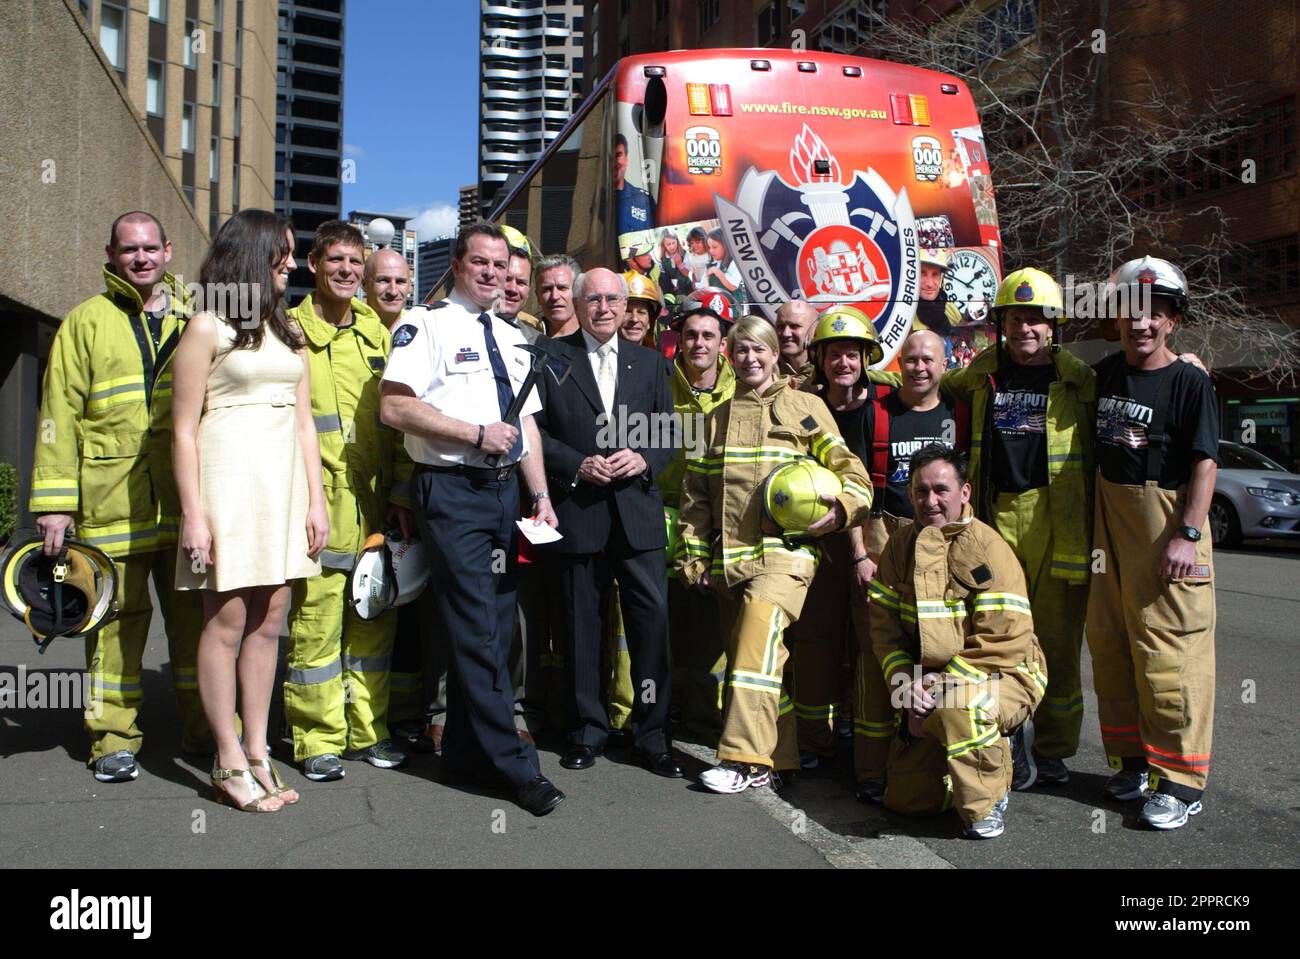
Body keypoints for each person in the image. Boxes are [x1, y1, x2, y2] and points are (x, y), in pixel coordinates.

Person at [878, 268, 1095, 790]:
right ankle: (1004, 736)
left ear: (1052, 326)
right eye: (1016, 318)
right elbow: (921, 379)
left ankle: (1055, 749)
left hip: (1055, 520)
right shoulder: (981, 373)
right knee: (989, 633)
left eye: (1037, 319)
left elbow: (1126, 388)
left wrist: (1188, 364)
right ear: (1002, 323)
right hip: (994, 517)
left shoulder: (1078, 379)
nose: (1026, 328)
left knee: (1057, 640)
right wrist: (862, 379)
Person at [379, 221, 564, 816]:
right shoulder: (425, 325)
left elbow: (527, 425)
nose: (491, 273)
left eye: (500, 265)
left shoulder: (512, 338)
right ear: (457, 266)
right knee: (478, 626)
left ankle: (461, 750)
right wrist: (475, 433)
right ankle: (514, 764)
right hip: (451, 489)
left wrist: (540, 495)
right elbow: (394, 405)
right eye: (479, 262)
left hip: (505, 494)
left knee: (498, 625)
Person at [30, 211, 211, 782]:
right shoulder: (85, 322)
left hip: (186, 508)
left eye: (150, 248)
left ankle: (205, 730)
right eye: (128, 249)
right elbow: (58, 414)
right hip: (112, 506)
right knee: (113, 629)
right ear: (110, 254)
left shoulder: (198, 318)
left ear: (169, 251)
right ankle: (112, 737)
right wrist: (55, 503)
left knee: (196, 626)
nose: (141, 258)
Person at [172, 209, 328, 812]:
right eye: (282, 252)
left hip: (283, 489)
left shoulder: (288, 331)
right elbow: (183, 430)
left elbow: (305, 425)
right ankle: (227, 756)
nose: (290, 262)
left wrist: (315, 501)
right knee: (228, 621)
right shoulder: (206, 326)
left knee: (271, 620)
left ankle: (259, 750)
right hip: (227, 487)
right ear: (251, 253)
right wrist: (194, 514)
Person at [677, 316, 873, 793]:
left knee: (754, 652)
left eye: (759, 350)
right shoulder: (715, 418)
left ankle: (743, 759)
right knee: (761, 665)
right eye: (741, 350)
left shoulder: (805, 407)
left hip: (786, 557)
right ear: (730, 355)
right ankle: (780, 759)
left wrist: (843, 511)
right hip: (730, 563)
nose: (750, 358)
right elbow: (695, 497)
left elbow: (854, 474)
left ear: (774, 354)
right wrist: (695, 561)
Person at [533, 267, 682, 778]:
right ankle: (587, 730)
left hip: (637, 515)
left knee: (652, 625)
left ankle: (651, 733)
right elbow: (536, 434)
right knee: (581, 626)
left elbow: (670, 431)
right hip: (580, 512)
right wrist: (575, 462)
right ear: (576, 304)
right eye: (592, 298)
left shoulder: (650, 363)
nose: (603, 307)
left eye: (612, 299)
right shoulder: (550, 358)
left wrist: (644, 458)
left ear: (625, 306)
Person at [1087, 257, 1219, 830]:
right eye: (1130, 314)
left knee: (1171, 654)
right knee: (1113, 647)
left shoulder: (1190, 381)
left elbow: (1206, 461)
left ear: (1172, 320)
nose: (1141, 324)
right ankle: (1133, 763)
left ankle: (1181, 782)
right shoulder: (1104, 374)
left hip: (1166, 525)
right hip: (1110, 521)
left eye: (1154, 315)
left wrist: (1187, 535)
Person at [283, 221, 415, 782]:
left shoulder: (378, 334)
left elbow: (403, 417)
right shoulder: (290, 331)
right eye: (335, 260)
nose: (346, 271)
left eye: (354, 263)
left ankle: (369, 732)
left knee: (373, 618)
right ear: (313, 264)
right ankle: (317, 739)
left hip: (377, 501)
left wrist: (404, 491)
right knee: (317, 623)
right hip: (318, 501)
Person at [868, 444, 1047, 839]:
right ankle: (968, 759)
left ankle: (988, 800)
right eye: (920, 491)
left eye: (941, 490)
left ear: (964, 493)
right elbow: (884, 631)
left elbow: (1004, 639)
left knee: (958, 707)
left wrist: (938, 687)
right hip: (929, 683)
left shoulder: (989, 550)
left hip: (1005, 673)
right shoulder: (897, 548)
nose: (929, 501)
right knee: (909, 801)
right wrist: (906, 687)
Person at [781, 307, 887, 779]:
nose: (844, 362)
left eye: (852, 353)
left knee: (869, 638)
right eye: (835, 354)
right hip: (819, 534)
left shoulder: (888, 400)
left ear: (866, 358)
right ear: (819, 358)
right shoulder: (802, 403)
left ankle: (864, 739)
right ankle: (813, 740)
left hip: (874, 534)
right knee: (815, 638)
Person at [658, 291, 736, 740]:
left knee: (712, 631)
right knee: (667, 623)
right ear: (679, 340)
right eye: (691, 334)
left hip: (723, 529)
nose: (699, 343)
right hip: (666, 522)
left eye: (709, 334)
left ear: (722, 340)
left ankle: (706, 720)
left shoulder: (742, 389)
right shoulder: (658, 385)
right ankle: (658, 711)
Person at [360, 249, 430, 745]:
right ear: (367, 284)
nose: (391, 289)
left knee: (406, 603)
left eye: (399, 280)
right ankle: (360, 716)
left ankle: (405, 715)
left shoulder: (421, 332)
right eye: (381, 280)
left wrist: (405, 491)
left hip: (406, 493)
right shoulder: (349, 330)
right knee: (361, 602)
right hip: (356, 489)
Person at [772, 299, 819, 389]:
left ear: (814, 330)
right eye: (780, 326)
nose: (786, 333)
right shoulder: (766, 372)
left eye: (794, 326)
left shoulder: (827, 372)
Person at [613, 133, 655, 230]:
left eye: (618, 155)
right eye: (610, 156)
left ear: (626, 159)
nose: (614, 162)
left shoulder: (643, 200)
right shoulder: (597, 205)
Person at [536, 254, 581, 339]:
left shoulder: (594, 338)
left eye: (562, 288)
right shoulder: (527, 339)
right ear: (538, 296)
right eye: (547, 289)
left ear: (577, 292)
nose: (554, 296)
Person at [618, 271, 663, 347]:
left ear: (649, 322)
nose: (634, 319)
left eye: (641, 312)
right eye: (627, 311)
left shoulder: (657, 358)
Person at [704, 228, 744, 307]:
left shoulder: (735, 263)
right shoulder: (714, 264)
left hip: (734, 309)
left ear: (726, 245)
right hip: (719, 306)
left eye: (714, 247)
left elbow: (732, 286)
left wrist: (717, 271)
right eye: (709, 247)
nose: (711, 251)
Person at [657, 228, 693, 300]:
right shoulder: (663, 259)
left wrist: (679, 263)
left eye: (673, 243)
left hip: (688, 287)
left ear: (677, 241)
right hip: (675, 291)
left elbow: (686, 273)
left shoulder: (684, 253)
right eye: (668, 244)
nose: (672, 246)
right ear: (663, 245)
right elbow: (664, 277)